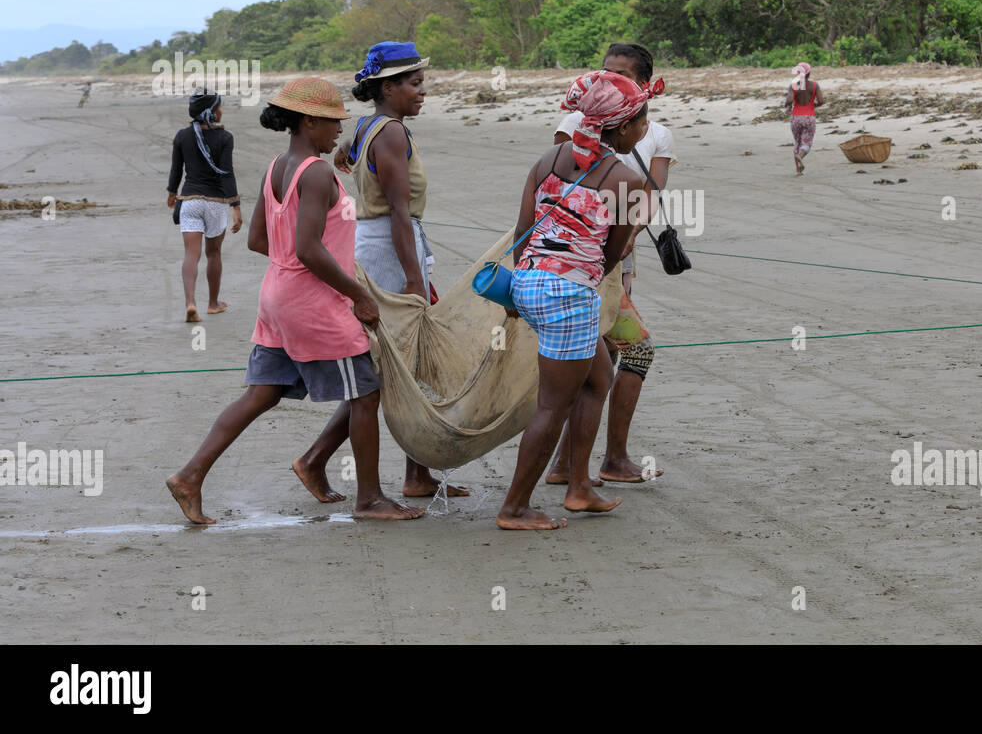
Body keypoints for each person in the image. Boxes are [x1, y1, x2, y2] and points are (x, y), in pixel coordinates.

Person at [165, 77, 422, 524]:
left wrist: (296, 266)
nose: (338, 130)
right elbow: (308, 248)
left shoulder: (275, 167)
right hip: (313, 302)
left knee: (261, 393)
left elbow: (261, 241)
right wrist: (357, 293)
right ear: (308, 121)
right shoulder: (318, 172)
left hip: (277, 293)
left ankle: (189, 476)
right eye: (331, 122)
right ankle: (369, 499)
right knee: (365, 393)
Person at [303, 41, 468, 501]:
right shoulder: (392, 133)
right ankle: (315, 459)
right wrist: (415, 280)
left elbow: (344, 164)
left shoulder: (365, 128)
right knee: (388, 367)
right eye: (415, 84)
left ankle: (417, 474)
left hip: (379, 244)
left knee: (407, 365)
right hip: (392, 251)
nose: (423, 92)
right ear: (388, 87)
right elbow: (398, 211)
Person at [496, 69, 659, 531]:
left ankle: (580, 486)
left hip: (528, 283)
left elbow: (522, 230)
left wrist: (521, 289)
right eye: (642, 122)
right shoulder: (626, 180)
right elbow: (612, 252)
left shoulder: (549, 158)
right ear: (624, 127)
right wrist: (578, 279)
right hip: (569, 295)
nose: (644, 130)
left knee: (596, 379)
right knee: (552, 405)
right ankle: (514, 507)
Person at [547, 43, 672, 485]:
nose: (607, 80)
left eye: (620, 73)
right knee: (613, 354)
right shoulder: (574, 125)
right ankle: (586, 464)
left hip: (603, 261)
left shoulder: (654, 134)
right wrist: (607, 247)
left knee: (600, 357)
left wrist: (625, 238)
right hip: (587, 266)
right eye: (604, 72)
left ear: (643, 84)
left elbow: (648, 198)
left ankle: (579, 463)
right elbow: (562, 187)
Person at [167, 89, 241, 322]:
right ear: (211, 112)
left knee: (191, 254)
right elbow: (226, 174)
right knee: (214, 253)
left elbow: (176, 169)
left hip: (189, 201)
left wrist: (172, 193)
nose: (221, 111)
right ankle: (212, 303)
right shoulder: (225, 137)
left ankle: (190, 303)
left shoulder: (182, 136)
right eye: (219, 107)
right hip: (215, 203)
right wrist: (236, 205)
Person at [784, 62, 824, 176]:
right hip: (809, 118)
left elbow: (789, 100)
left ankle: (798, 170)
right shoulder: (815, 85)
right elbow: (821, 101)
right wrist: (813, 105)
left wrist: (786, 105)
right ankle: (800, 156)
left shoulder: (794, 85)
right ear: (809, 73)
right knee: (806, 143)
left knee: (797, 143)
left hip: (796, 118)